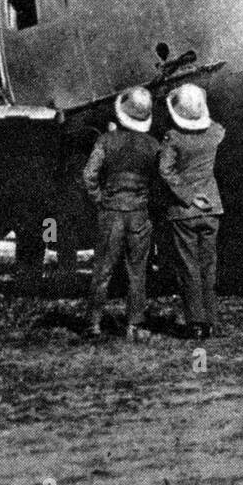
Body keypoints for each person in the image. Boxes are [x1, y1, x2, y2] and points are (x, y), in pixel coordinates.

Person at [82, 87, 160, 341]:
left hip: (111, 212)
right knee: (137, 271)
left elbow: (89, 174)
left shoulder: (105, 140)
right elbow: (160, 179)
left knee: (102, 269)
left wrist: (99, 199)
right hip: (139, 213)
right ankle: (134, 325)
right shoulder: (154, 145)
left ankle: (93, 323)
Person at [158, 83, 226, 340]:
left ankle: (195, 323)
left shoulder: (172, 138)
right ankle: (211, 321)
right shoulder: (216, 133)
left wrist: (187, 196)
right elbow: (218, 128)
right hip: (212, 208)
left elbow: (165, 170)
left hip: (183, 211)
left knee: (189, 268)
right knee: (209, 267)